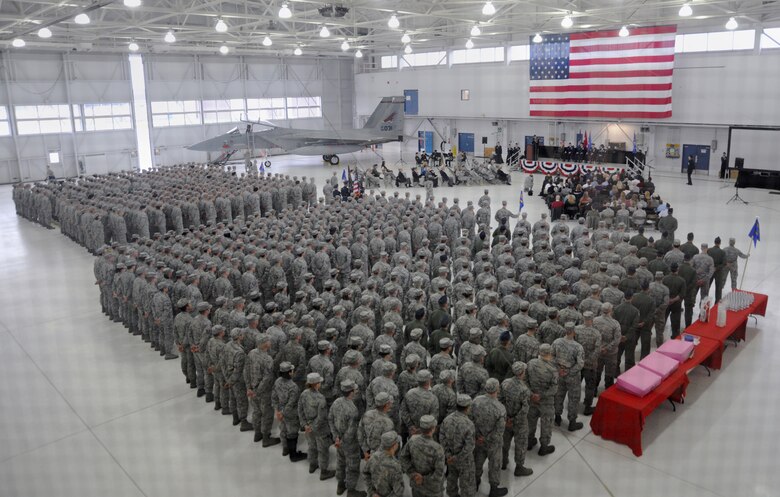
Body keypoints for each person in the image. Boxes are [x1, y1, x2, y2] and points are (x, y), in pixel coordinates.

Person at [471, 378, 509, 497]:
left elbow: (471, 421)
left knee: (477, 461)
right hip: (493, 443)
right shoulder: (500, 408)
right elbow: (499, 431)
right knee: (494, 465)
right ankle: (493, 490)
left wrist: (478, 437)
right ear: (497, 389)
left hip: (478, 440)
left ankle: (475, 483)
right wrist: (487, 439)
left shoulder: (476, 401)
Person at [399, 414, 446, 497]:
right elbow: (439, 474)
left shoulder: (412, 440)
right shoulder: (437, 448)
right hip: (433, 489)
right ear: (433, 429)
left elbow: (403, 458)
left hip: (417, 486)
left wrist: (413, 473)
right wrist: (423, 479)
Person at [500, 362, 533, 477]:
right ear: (522, 372)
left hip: (505, 420)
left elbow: (501, 401)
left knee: (504, 442)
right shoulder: (524, 389)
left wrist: (507, 418)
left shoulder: (505, 383)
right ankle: (519, 468)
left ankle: (503, 462)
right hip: (519, 422)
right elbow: (525, 409)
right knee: (521, 444)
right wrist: (514, 420)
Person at [440, 394, 477, 497]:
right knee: (467, 482)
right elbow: (470, 446)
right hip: (464, 460)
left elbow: (442, 438)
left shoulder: (447, 420)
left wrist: (448, 455)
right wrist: (457, 458)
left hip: (450, 457)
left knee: (452, 477)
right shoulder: (469, 424)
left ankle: (452, 494)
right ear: (468, 407)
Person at [526, 344, 557, 456]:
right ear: (550, 353)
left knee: (530, 421)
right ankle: (544, 447)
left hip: (532, 399)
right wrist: (542, 395)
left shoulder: (531, 363)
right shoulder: (552, 369)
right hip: (546, 402)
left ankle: (529, 442)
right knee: (546, 424)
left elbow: (525, 381)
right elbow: (554, 389)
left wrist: (532, 394)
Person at [363, 431, 405, 497]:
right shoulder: (395, 466)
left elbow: (365, 473)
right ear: (394, 446)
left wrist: (372, 492)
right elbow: (399, 491)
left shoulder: (373, 457)